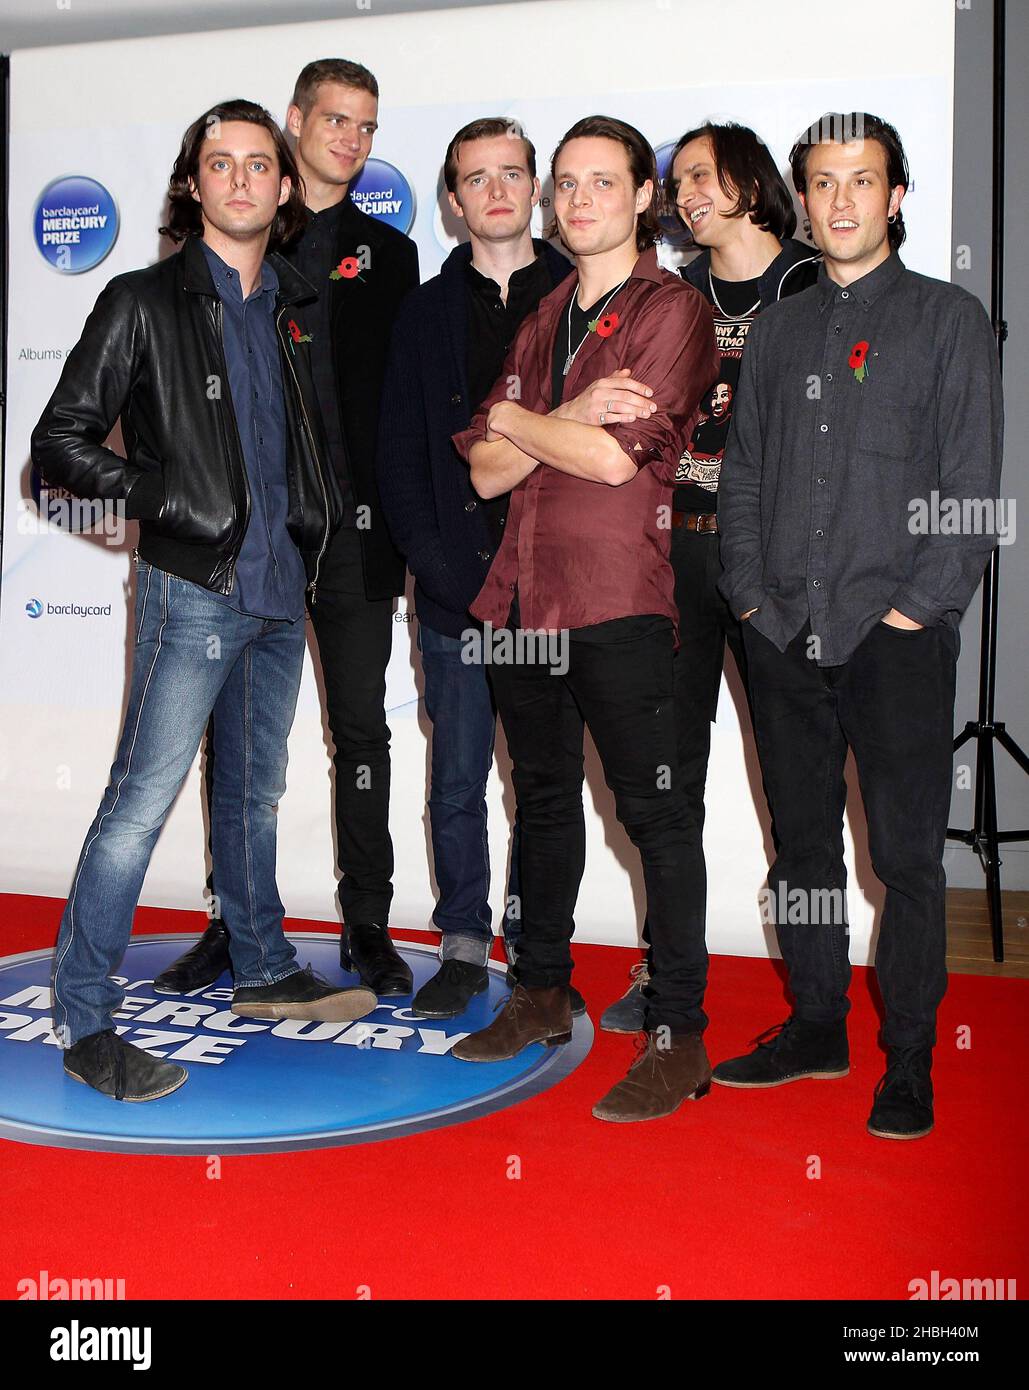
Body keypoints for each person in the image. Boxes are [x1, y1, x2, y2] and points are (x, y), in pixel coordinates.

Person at [31, 100, 377, 1102]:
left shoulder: (292, 307)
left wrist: (314, 531)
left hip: (277, 591)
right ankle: (85, 1019)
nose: (239, 179)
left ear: (284, 184)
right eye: (218, 163)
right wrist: (165, 499)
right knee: (139, 805)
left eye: (258, 163)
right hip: (190, 590)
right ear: (193, 183)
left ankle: (262, 965)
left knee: (252, 794)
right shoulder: (142, 301)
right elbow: (58, 444)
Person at [716, 112, 1003, 1139]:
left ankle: (911, 1060)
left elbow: (972, 495)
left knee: (908, 860)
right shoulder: (776, 330)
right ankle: (816, 1024)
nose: (841, 201)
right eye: (823, 183)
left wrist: (913, 611)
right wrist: (749, 597)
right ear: (802, 199)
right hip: (782, 631)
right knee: (800, 850)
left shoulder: (948, 320)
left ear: (896, 196)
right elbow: (742, 477)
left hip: (897, 639)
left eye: (862, 180)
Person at [450, 115, 719, 1123]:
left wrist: (520, 422)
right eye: (565, 183)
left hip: (616, 602)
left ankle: (679, 1035)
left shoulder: (672, 309)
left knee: (657, 818)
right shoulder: (541, 315)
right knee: (544, 807)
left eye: (602, 181)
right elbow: (484, 471)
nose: (579, 199)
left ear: (644, 196)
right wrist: (551, 416)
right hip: (521, 599)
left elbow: (613, 460)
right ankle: (540, 992)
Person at [155, 59, 420, 1001]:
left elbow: (401, 407)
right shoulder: (240, 232)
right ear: (295, 121)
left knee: (361, 734)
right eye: (335, 119)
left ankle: (367, 925)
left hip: (354, 532)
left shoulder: (392, 255)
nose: (351, 138)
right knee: (233, 742)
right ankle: (233, 925)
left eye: (366, 125)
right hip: (251, 533)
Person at [598, 121, 821, 1032]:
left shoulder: (813, 284)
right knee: (666, 777)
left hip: (779, 561)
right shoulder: (671, 293)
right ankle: (665, 973)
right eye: (676, 179)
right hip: (677, 551)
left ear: (749, 181)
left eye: (700, 175)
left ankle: (815, 1008)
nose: (683, 193)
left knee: (797, 787)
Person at [376, 117, 582, 1018]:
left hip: (558, 588)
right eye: (475, 178)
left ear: (535, 188)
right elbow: (398, 459)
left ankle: (538, 957)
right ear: (453, 201)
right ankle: (461, 943)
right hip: (454, 591)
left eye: (511, 174)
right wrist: (439, 570)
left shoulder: (584, 294)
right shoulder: (422, 312)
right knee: (457, 778)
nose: (495, 191)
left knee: (545, 785)